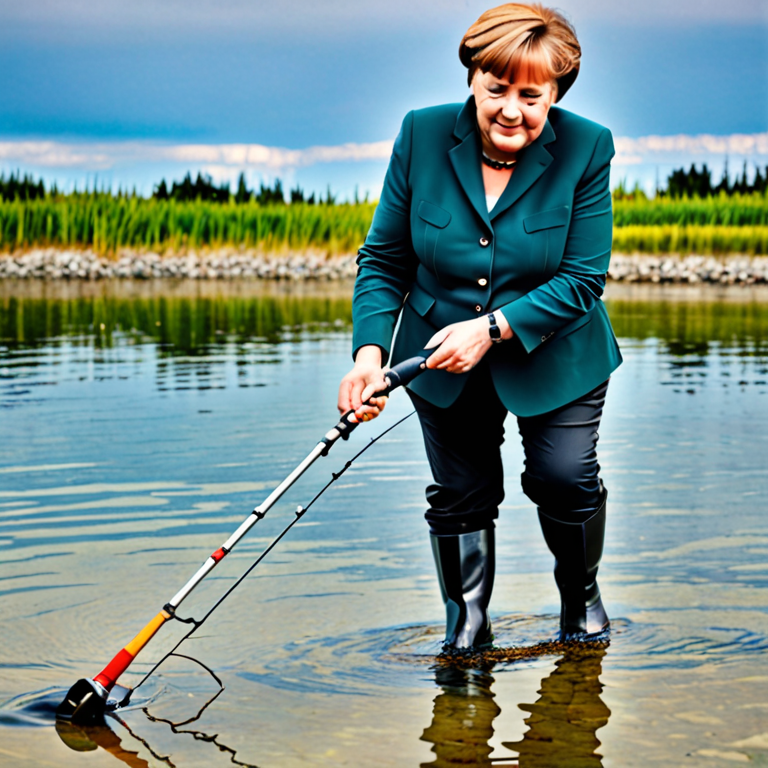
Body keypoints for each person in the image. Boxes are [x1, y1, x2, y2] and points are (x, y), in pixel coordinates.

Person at [337, 3, 622, 649]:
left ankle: (581, 606)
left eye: (531, 94)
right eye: (497, 90)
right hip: (435, 355)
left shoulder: (589, 146)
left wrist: (491, 328)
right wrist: (368, 356)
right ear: (472, 80)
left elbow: (582, 279)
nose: (511, 110)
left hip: (557, 355)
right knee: (459, 492)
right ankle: (465, 633)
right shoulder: (420, 134)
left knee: (562, 477)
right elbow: (384, 260)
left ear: (555, 93)